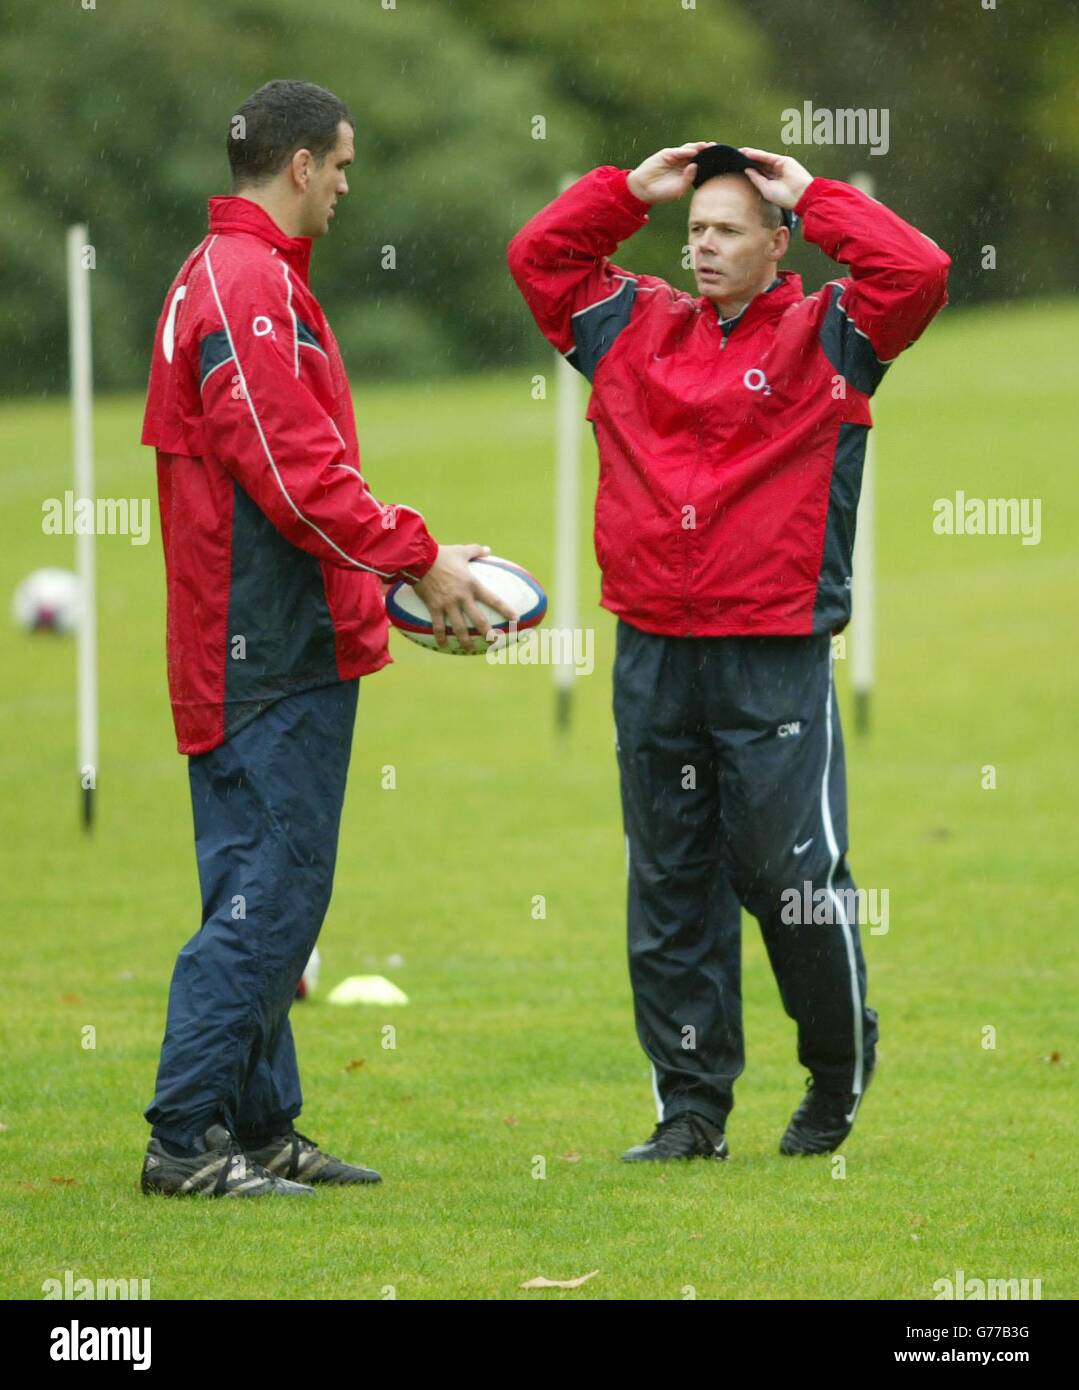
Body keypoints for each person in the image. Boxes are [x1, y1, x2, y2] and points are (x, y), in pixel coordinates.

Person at [508, 141, 951, 1161]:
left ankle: (836, 1069)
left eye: (725, 229)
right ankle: (690, 1111)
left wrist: (811, 191)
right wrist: (625, 194)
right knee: (668, 885)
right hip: (652, 649)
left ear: (775, 242)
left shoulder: (832, 331)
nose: (700, 245)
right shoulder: (630, 322)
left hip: (772, 654)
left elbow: (917, 271)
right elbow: (537, 258)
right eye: (692, 229)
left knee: (785, 877)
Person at [139, 79, 512, 1197]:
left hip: (267, 633)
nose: (346, 186)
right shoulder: (246, 286)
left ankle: (258, 1131)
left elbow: (299, 478)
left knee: (260, 894)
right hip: (261, 646)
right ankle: (183, 1138)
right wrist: (417, 557)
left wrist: (408, 570)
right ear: (299, 165)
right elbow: (293, 479)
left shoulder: (247, 276)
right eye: (341, 166)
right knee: (273, 897)